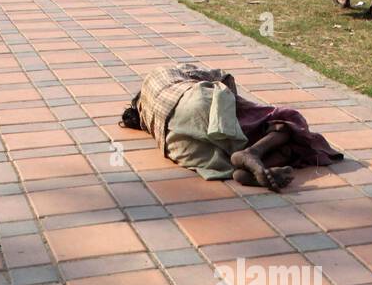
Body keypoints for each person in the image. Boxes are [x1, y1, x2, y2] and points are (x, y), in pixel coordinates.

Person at [120, 64, 343, 192]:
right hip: (196, 101)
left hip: (178, 143)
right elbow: (223, 78)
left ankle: (253, 168)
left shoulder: (150, 121)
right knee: (285, 119)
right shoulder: (162, 73)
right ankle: (253, 153)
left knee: (226, 148)